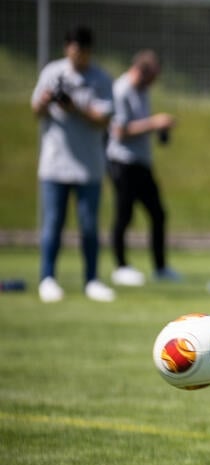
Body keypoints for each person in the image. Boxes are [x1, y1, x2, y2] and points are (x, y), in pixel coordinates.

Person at [31, 26, 117, 304]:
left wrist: (75, 108)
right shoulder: (52, 72)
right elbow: (35, 110)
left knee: (89, 226)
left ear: (89, 51)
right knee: (53, 223)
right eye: (74, 49)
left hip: (88, 165)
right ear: (67, 48)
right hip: (55, 164)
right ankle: (47, 278)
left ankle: (92, 280)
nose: (78, 55)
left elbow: (104, 119)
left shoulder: (100, 78)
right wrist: (46, 101)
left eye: (83, 50)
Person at [107, 50, 179, 287]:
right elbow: (120, 131)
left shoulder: (143, 90)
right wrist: (154, 123)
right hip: (122, 161)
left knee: (158, 213)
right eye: (152, 77)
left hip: (141, 162)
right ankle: (121, 267)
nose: (153, 83)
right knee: (124, 214)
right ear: (142, 71)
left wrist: (158, 129)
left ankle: (160, 268)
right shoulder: (121, 90)